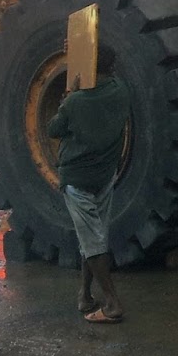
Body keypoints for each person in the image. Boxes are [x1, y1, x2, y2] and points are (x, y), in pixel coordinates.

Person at [49, 47, 130, 324]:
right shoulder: (121, 91)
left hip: (77, 180)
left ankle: (112, 303)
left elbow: (53, 130)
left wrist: (69, 96)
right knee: (93, 236)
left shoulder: (76, 102)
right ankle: (84, 294)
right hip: (105, 176)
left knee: (92, 241)